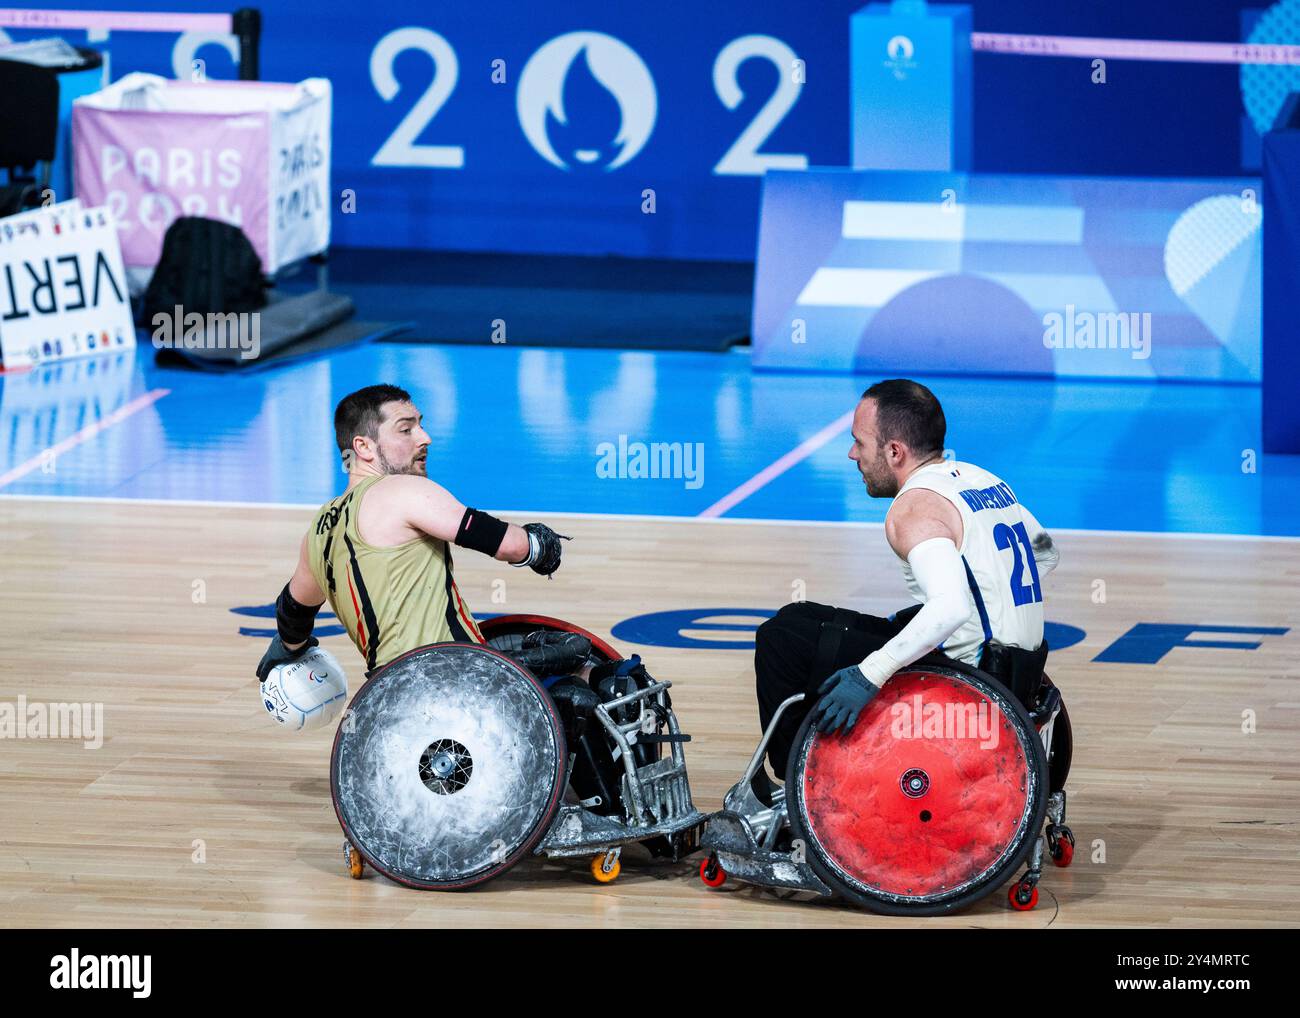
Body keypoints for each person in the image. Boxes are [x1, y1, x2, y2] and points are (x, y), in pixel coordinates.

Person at [753, 378, 1060, 794]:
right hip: (1017, 664)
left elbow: (950, 609)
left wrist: (868, 675)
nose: (852, 454)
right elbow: (1044, 552)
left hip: (973, 681)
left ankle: (804, 788)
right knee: (798, 617)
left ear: (894, 451)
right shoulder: (978, 479)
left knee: (781, 639)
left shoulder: (913, 509)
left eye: (859, 443)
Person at [254, 383, 568, 682]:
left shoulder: (318, 531)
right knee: (581, 675)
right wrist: (542, 546)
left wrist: (287, 653)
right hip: (459, 679)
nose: (425, 438)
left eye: (420, 425)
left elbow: (293, 615)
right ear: (363, 446)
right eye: (407, 430)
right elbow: (512, 547)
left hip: (386, 693)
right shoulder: (402, 490)